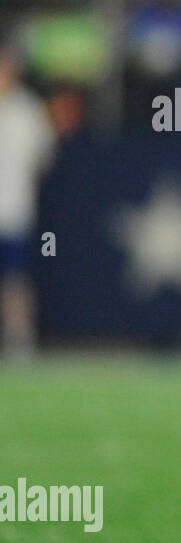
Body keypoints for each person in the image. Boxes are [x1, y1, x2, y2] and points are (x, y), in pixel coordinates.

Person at [0, 46, 57, 361]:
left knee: (15, 278)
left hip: (13, 211)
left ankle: (18, 340)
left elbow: (42, 158)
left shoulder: (27, 110)